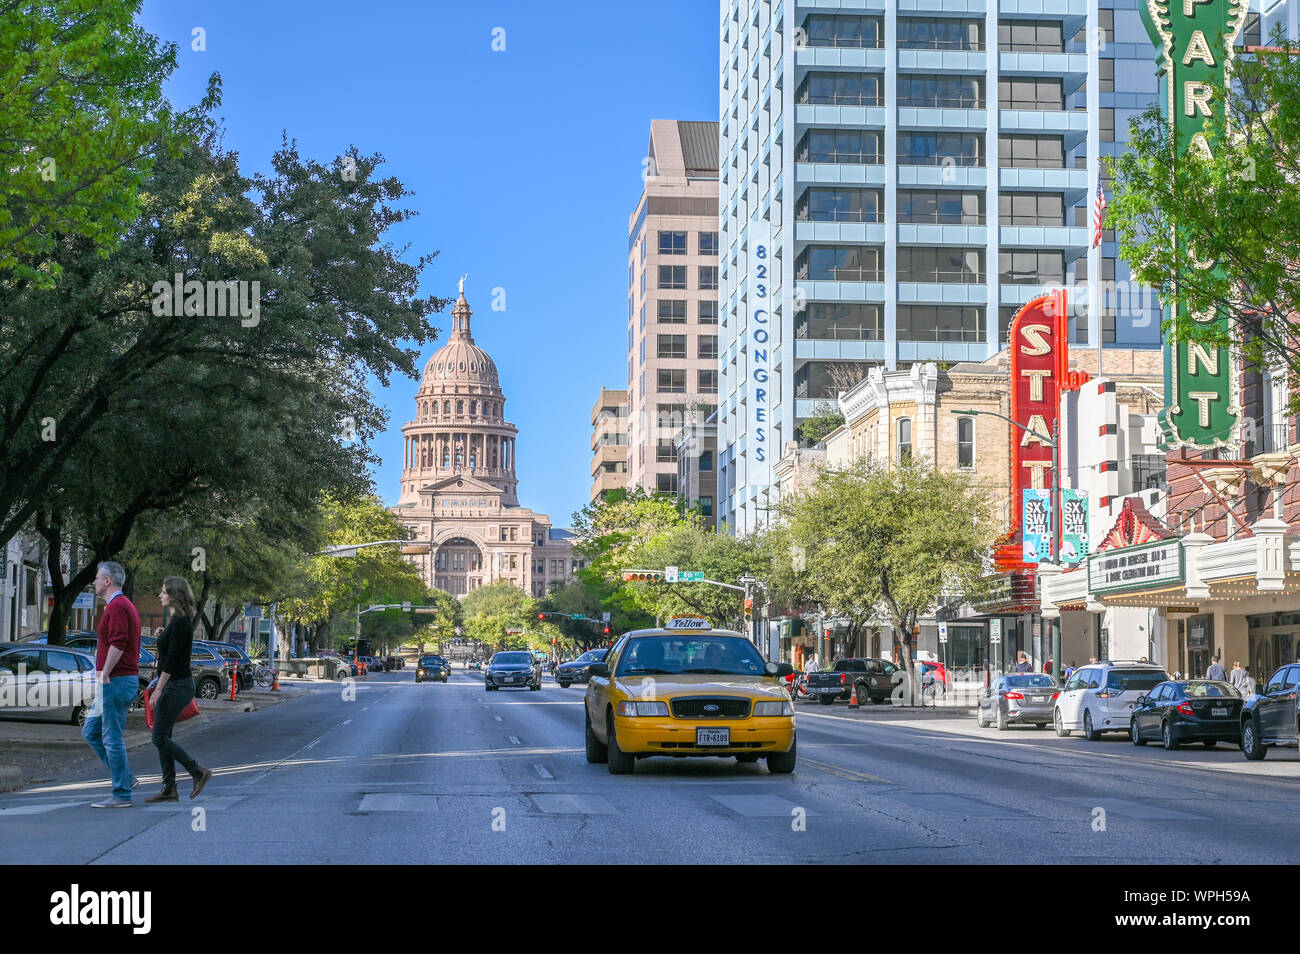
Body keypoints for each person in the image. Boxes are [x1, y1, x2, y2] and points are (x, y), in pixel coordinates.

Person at [145, 576, 213, 802]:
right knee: (164, 735)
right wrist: (162, 635)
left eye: (164, 592)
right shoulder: (176, 621)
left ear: (174, 594)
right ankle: (169, 788)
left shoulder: (182, 622)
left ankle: (197, 771)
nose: (160, 595)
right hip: (173, 685)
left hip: (177, 686)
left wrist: (157, 690)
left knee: (159, 737)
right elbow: (171, 649)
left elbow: (173, 661)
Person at [83, 562, 141, 808]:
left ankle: (122, 794)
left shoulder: (118, 606)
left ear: (108, 581)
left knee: (111, 737)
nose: (94, 581)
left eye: (97, 578)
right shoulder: (118, 606)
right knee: (91, 731)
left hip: (116, 680)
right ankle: (125, 778)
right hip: (114, 680)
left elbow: (119, 642)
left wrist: (105, 671)